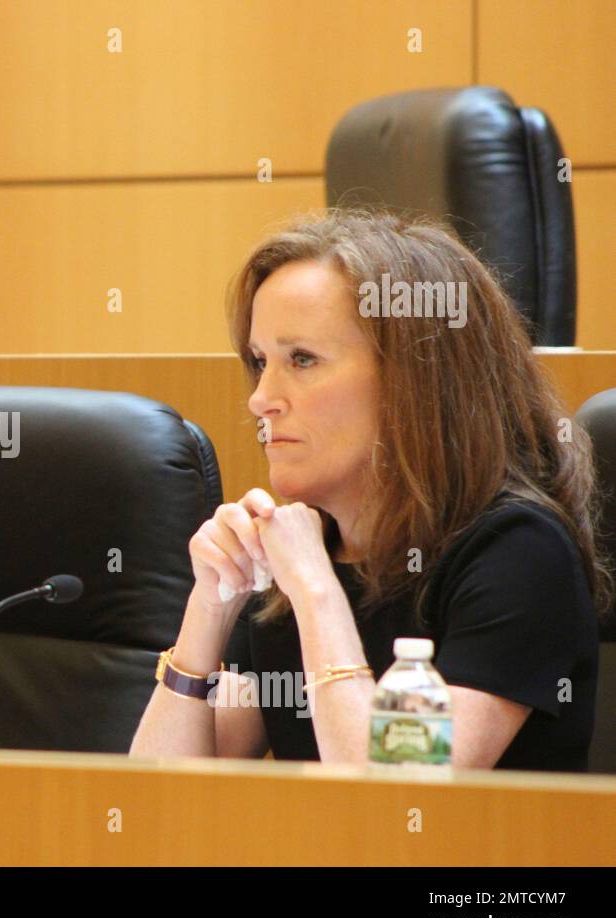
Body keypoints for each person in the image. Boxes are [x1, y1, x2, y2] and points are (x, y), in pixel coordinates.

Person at [131, 209, 608, 771]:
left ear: (415, 382)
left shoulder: (520, 549)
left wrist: (315, 589)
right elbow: (165, 802)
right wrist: (208, 609)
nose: (262, 398)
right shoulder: (305, 550)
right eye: (261, 362)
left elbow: (400, 799)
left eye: (301, 359)